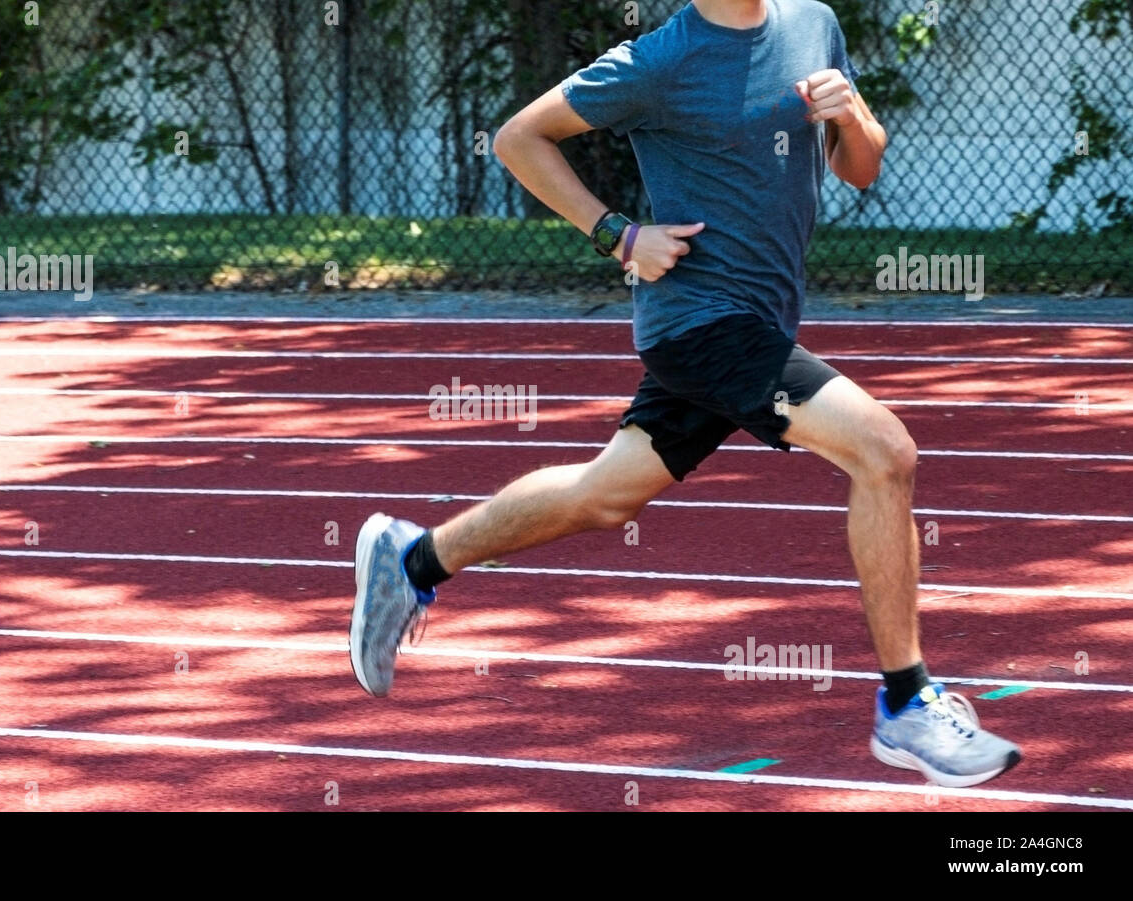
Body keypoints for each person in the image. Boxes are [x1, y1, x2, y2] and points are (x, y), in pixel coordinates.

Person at [348, 0, 1021, 788]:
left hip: (754, 323)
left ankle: (414, 557)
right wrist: (620, 235)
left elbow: (858, 167)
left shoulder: (813, 23)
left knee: (605, 496)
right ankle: (906, 705)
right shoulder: (659, 60)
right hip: (702, 326)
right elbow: (517, 139)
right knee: (884, 451)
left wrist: (855, 116)